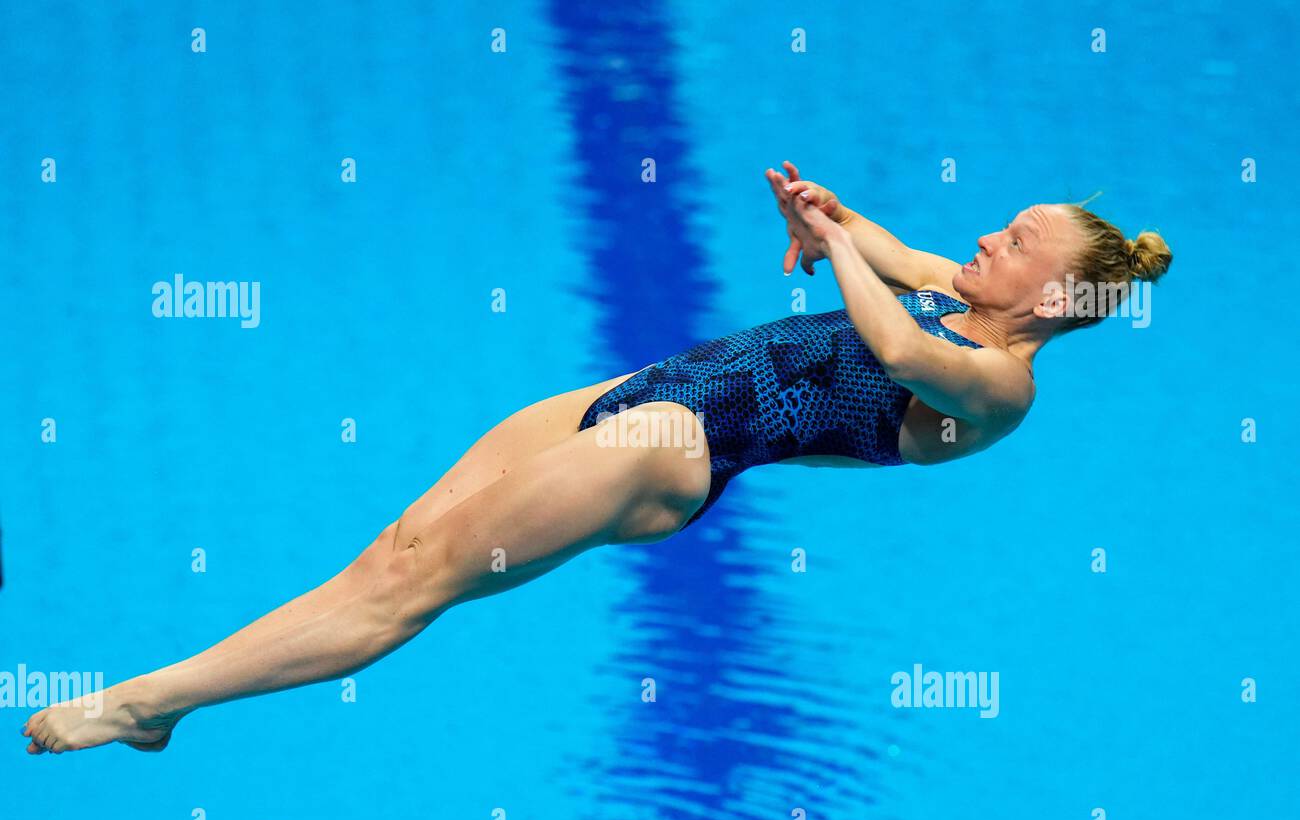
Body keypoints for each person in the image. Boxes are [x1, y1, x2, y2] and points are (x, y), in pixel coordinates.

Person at [21, 162, 1171, 754]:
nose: (983, 236)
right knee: (401, 543)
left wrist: (838, 249)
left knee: (402, 589)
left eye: (1014, 240)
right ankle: (167, 712)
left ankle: (141, 700)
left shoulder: (999, 385)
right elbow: (882, 249)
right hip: (639, 392)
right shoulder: (955, 292)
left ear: (1060, 297)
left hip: (675, 448)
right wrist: (828, 210)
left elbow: (885, 339)